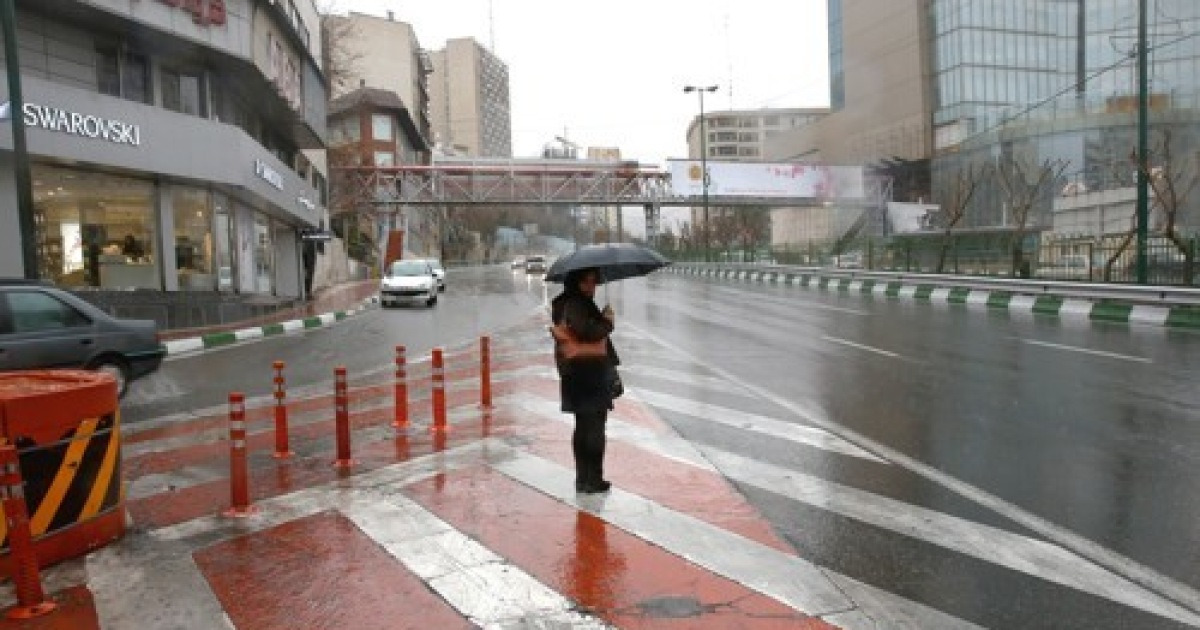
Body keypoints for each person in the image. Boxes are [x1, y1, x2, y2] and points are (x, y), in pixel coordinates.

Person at [551, 267, 619, 494]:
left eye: (594, 282)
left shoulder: (568, 302)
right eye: (586, 282)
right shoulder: (576, 303)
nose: (591, 286)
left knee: (583, 427)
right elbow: (587, 332)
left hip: (576, 373)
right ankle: (592, 480)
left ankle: (584, 479)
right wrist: (608, 321)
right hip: (587, 373)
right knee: (594, 427)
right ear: (575, 283)